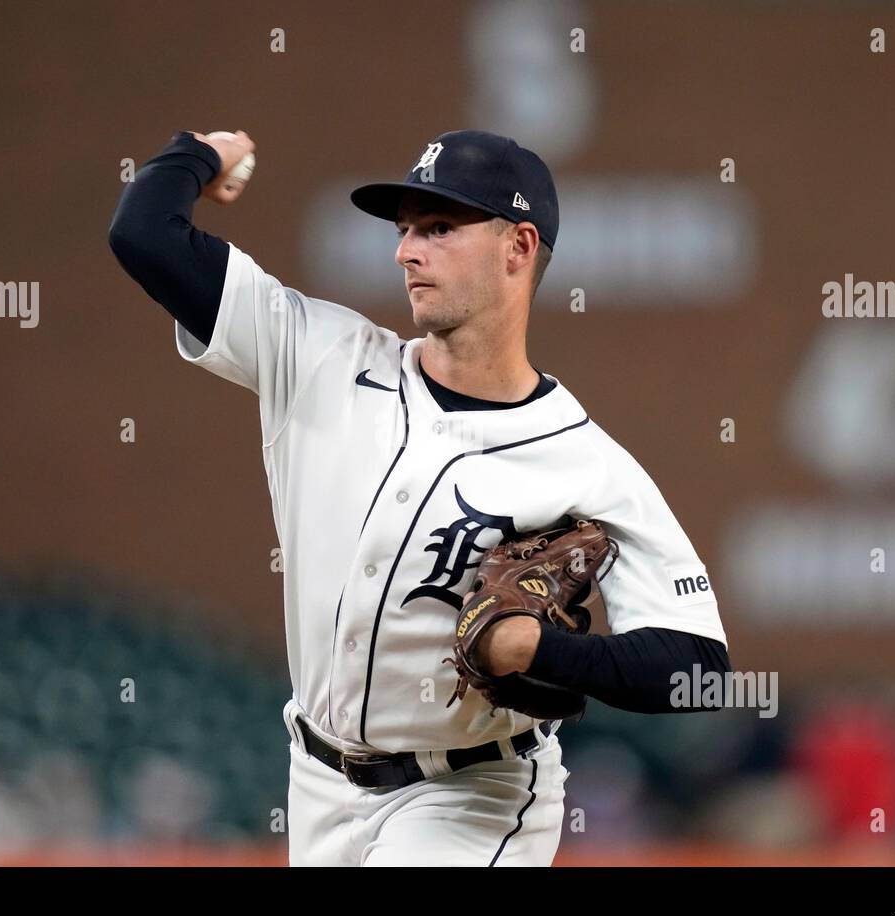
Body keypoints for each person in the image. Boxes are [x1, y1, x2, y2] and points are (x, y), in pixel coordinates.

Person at [108, 128, 732, 866]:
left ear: (519, 247)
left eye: (439, 228)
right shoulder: (319, 358)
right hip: (315, 781)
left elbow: (699, 673)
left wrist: (544, 649)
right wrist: (200, 153)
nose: (407, 251)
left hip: (471, 798)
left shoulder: (588, 464)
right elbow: (143, 234)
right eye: (404, 230)